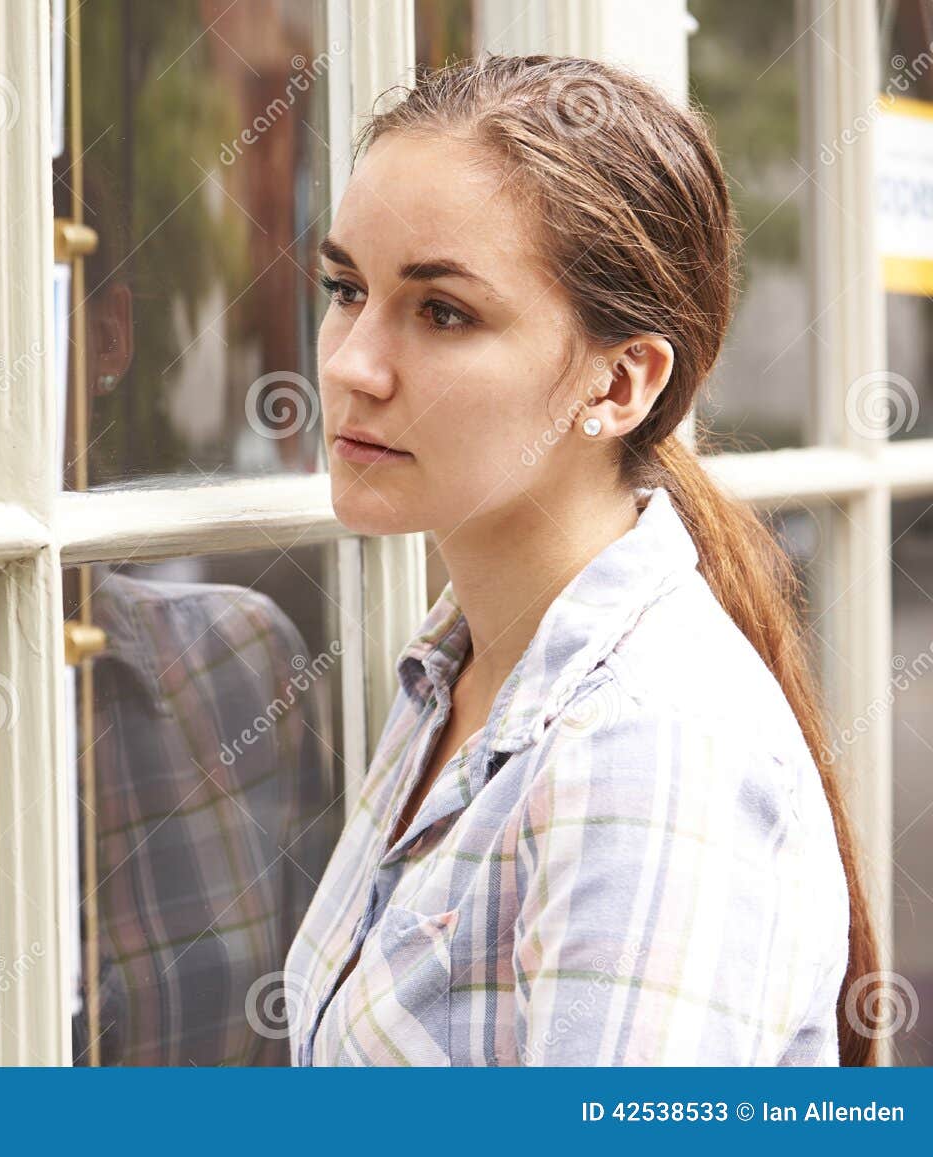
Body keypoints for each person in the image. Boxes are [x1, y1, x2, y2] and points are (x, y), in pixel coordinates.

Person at [286, 53, 881, 1066]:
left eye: (442, 312)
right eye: (346, 287)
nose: (348, 362)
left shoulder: (644, 746)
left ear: (617, 383)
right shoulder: (462, 669)